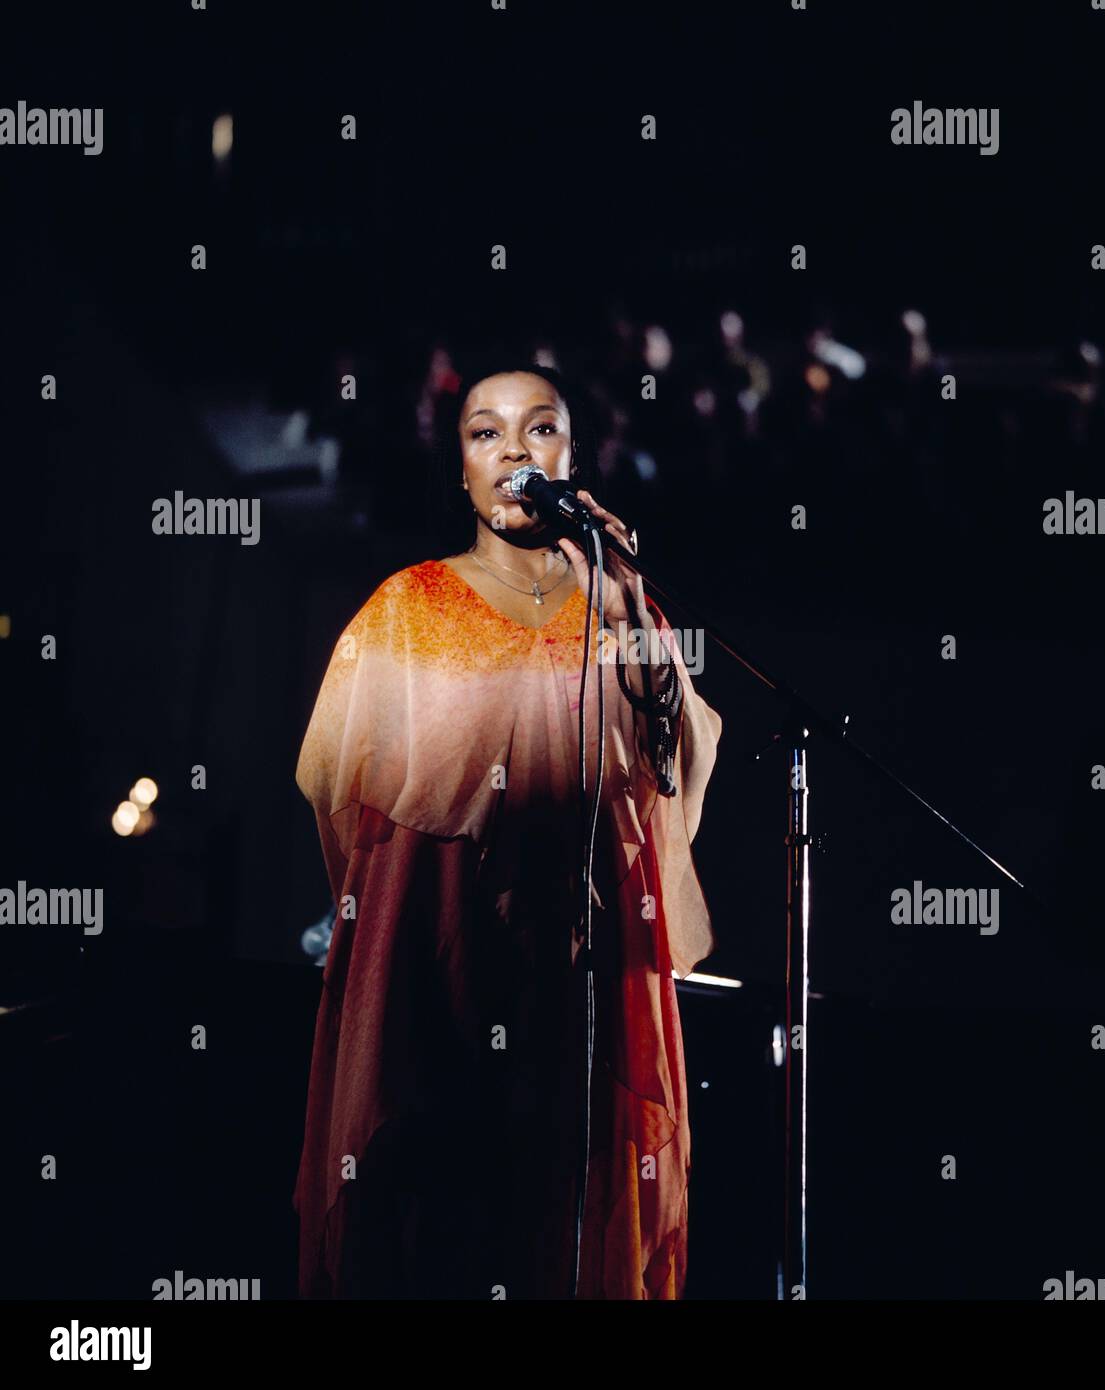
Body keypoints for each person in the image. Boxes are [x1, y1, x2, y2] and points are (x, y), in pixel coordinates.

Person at [292, 362, 722, 1299]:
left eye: (541, 429)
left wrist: (627, 615)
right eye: (486, 433)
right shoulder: (407, 609)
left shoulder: (622, 611)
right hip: (434, 985)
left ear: (574, 455)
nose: (515, 450)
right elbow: (343, 811)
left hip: (578, 984)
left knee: (561, 1210)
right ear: (460, 469)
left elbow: (669, 765)